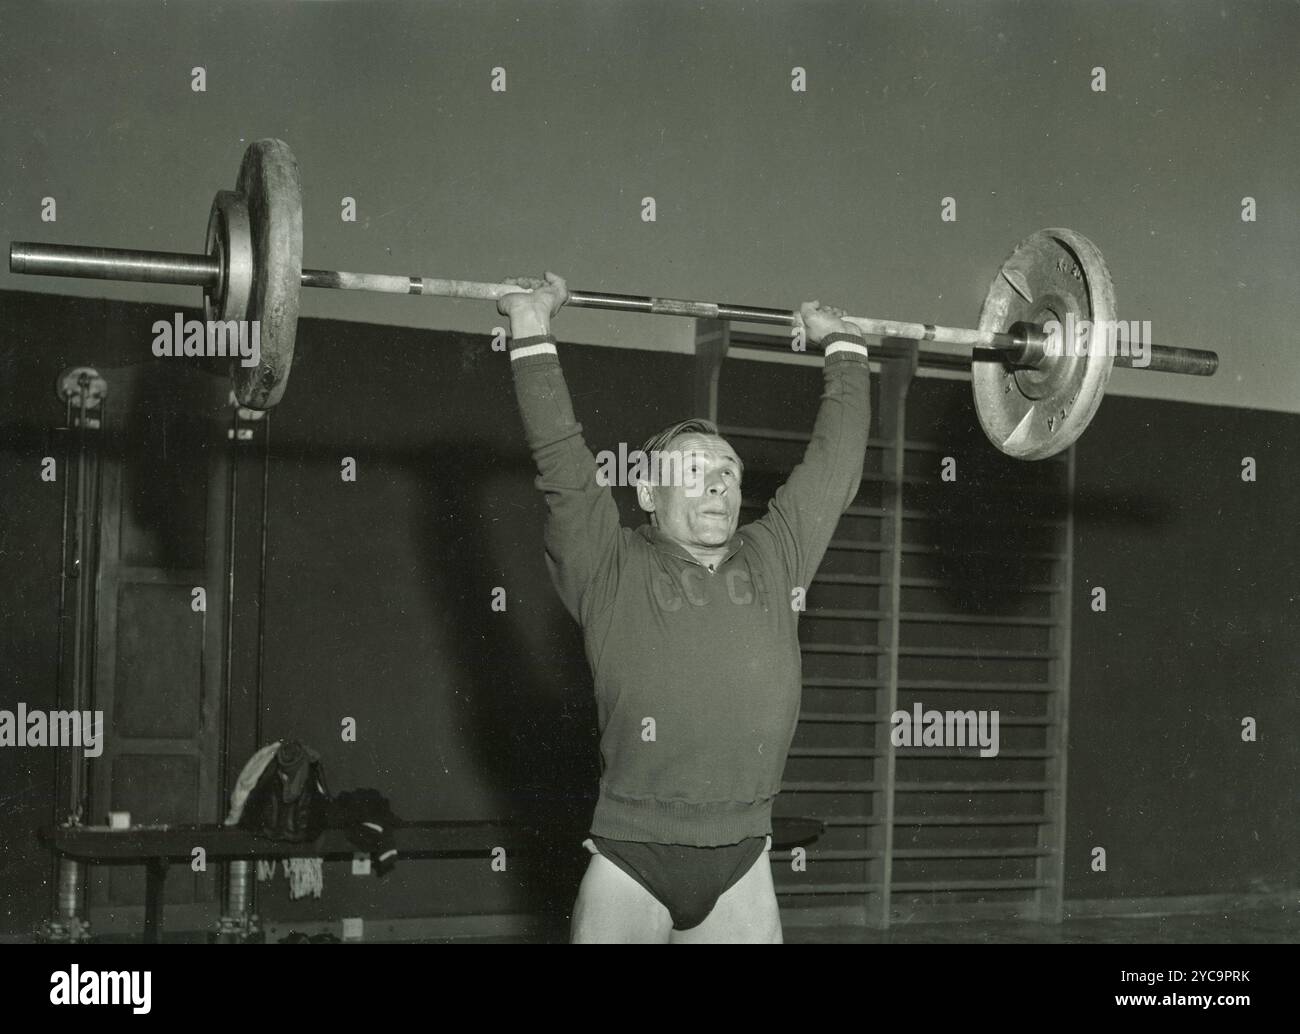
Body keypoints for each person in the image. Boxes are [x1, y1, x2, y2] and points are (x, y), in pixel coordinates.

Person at [499, 273, 871, 943]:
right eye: (694, 466)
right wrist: (531, 324)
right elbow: (562, 459)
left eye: (728, 469)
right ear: (646, 491)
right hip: (631, 858)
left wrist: (842, 346)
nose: (718, 481)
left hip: (743, 859)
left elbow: (835, 464)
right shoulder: (609, 567)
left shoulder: (775, 553)